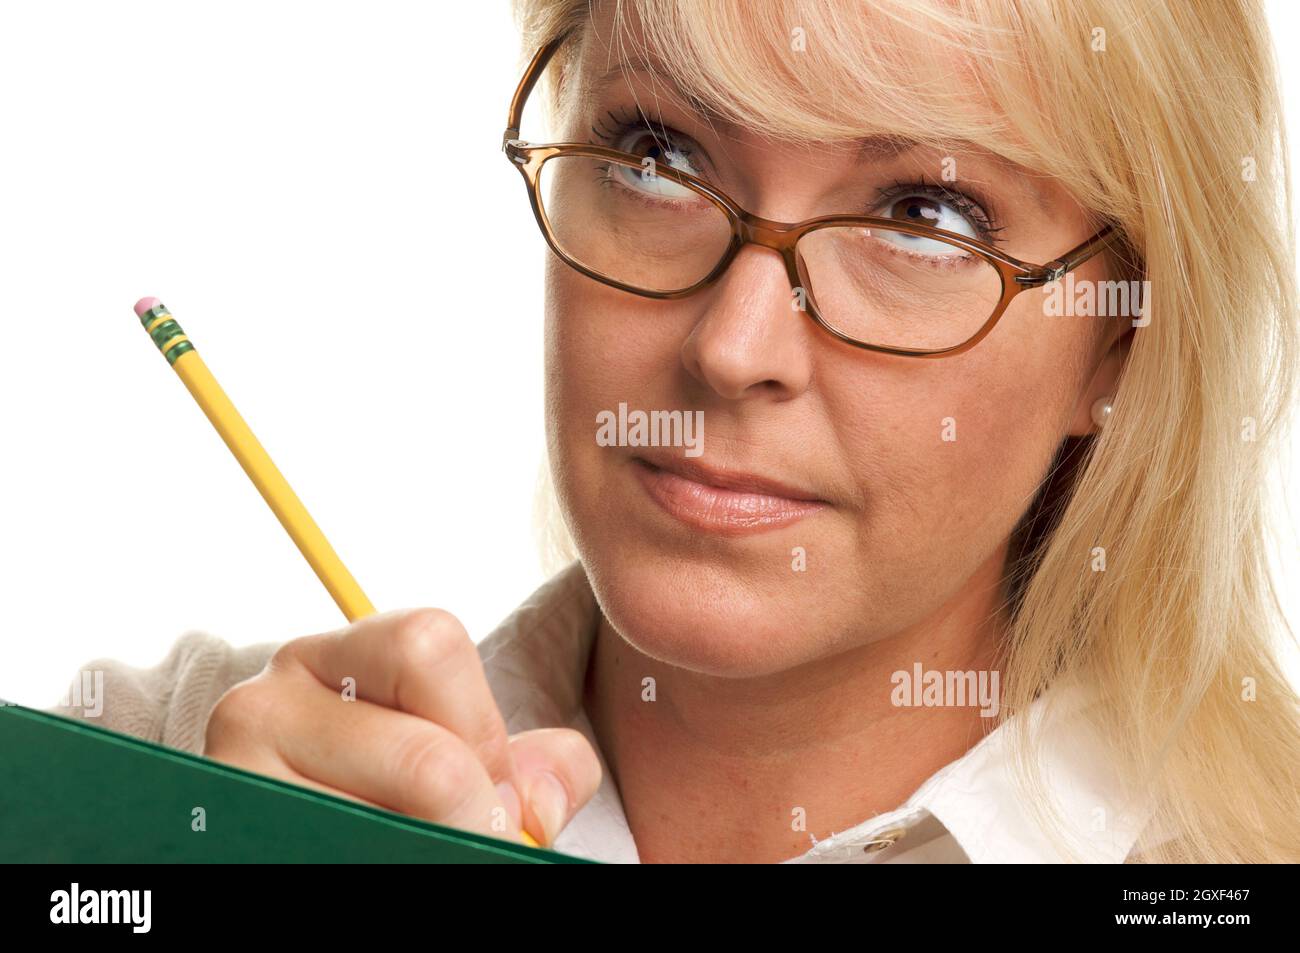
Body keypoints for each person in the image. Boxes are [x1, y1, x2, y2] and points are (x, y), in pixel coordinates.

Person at [51, 0, 1300, 863]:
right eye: (656, 155)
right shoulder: (162, 774)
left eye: (926, 213)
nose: (730, 346)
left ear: (1119, 347)